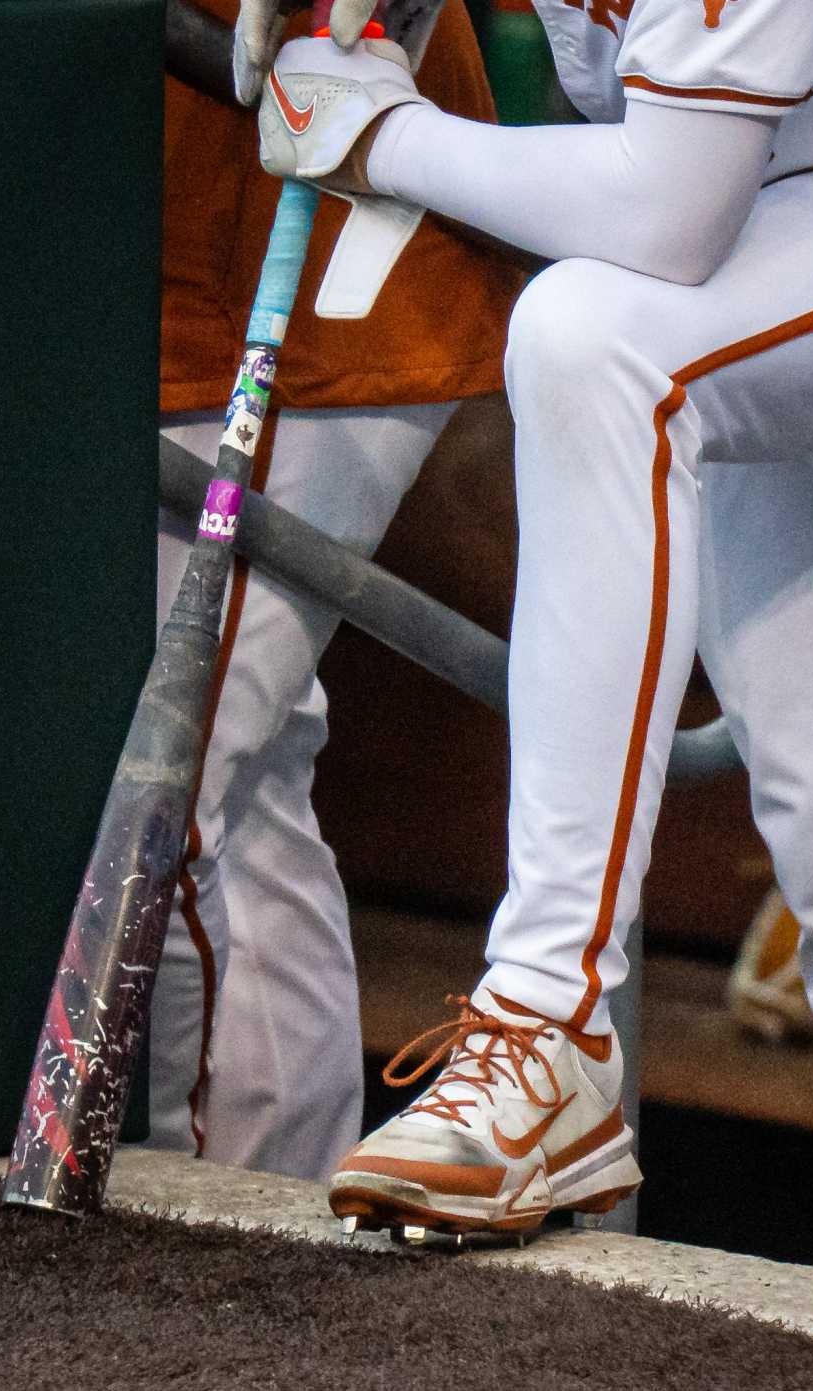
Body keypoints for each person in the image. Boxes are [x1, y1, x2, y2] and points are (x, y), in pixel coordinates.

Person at [236, 0, 813, 1298]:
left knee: (591, 337)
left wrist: (383, 137)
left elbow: (668, 209)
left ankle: (548, 1017)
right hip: (781, 241)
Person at [144, 0, 521, 1182]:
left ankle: (161, 1218)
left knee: (171, 780)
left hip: (310, 248)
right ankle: (265, 1227)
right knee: (238, 787)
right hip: (81, 245)